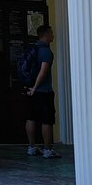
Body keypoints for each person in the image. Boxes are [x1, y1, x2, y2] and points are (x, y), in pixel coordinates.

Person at [25, 24, 61, 158]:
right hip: (43, 91)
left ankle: (31, 147)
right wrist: (36, 87)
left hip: (31, 90)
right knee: (47, 120)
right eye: (51, 33)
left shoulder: (33, 48)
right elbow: (43, 71)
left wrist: (31, 88)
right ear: (46, 35)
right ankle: (48, 149)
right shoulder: (45, 51)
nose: (53, 35)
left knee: (31, 118)